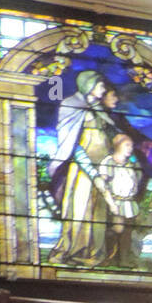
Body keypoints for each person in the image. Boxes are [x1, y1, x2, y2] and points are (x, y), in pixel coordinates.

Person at [49, 70, 114, 265]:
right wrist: (91, 171)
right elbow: (72, 144)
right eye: (100, 85)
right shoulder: (71, 105)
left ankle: (94, 253)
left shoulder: (99, 109)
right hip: (82, 170)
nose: (103, 89)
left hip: (103, 168)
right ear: (89, 85)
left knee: (99, 211)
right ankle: (72, 250)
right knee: (79, 209)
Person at [97, 133, 141, 267]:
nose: (130, 148)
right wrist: (110, 203)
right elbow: (101, 184)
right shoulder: (109, 162)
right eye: (127, 145)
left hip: (129, 203)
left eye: (132, 146)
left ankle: (123, 260)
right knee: (115, 230)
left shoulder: (130, 164)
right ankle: (109, 257)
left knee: (127, 232)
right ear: (117, 145)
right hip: (115, 202)